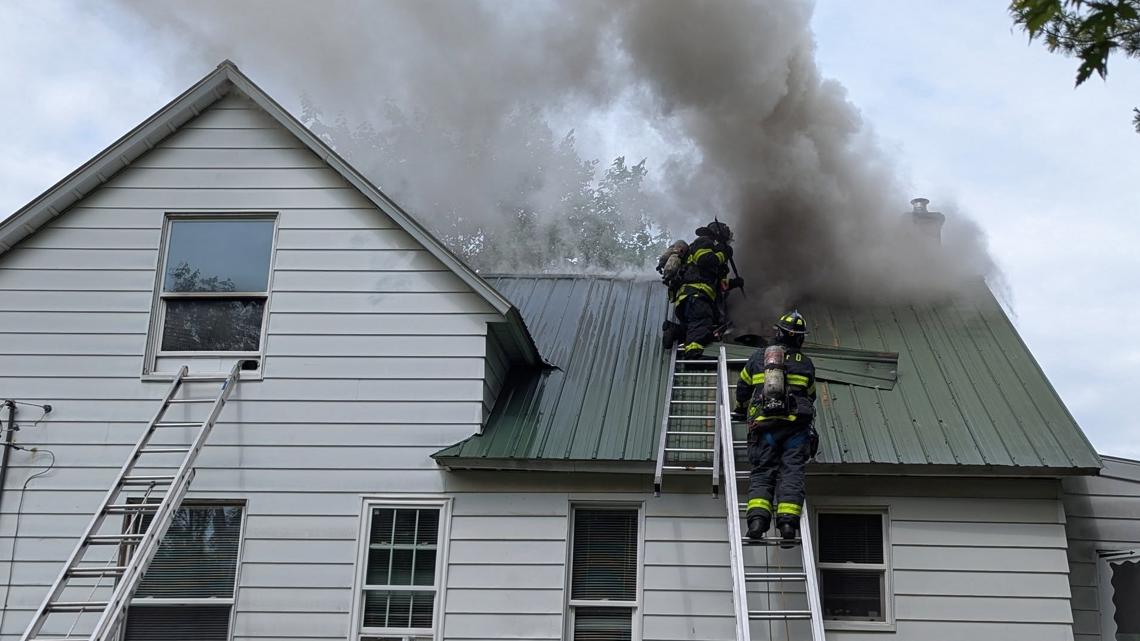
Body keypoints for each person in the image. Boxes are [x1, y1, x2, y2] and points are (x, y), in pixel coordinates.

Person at [733, 310, 818, 541]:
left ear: (778, 333)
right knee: (792, 474)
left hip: (764, 428)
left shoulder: (758, 357)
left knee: (762, 474)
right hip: (795, 430)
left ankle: (758, 524)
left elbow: (742, 388)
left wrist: (741, 408)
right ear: (800, 338)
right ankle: (788, 527)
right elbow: (811, 396)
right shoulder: (806, 363)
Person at [668, 221, 743, 359]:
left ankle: (673, 330)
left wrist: (734, 283)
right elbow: (705, 260)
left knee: (701, 327)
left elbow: (717, 285)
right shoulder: (704, 242)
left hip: (691, 297)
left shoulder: (712, 252)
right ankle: (693, 351)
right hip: (697, 295)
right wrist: (723, 252)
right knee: (700, 324)